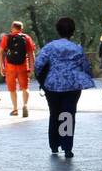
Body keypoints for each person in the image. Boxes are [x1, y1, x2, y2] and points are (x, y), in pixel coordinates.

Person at [33, 17, 94, 159]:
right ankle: (67, 147)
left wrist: (42, 77)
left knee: (54, 113)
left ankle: (54, 144)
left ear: (58, 30)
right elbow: (85, 66)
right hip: (72, 86)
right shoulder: (77, 48)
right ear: (72, 31)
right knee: (67, 115)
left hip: (52, 85)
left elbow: (38, 64)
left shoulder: (49, 47)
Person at [0, 20, 36, 117]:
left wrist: (1, 67)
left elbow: (0, 53)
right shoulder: (26, 38)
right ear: (21, 29)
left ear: (12, 28)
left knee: (12, 89)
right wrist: (32, 68)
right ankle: (25, 105)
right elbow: (31, 54)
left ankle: (15, 109)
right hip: (23, 66)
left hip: (10, 67)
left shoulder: (6, 38)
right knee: (25, 88)